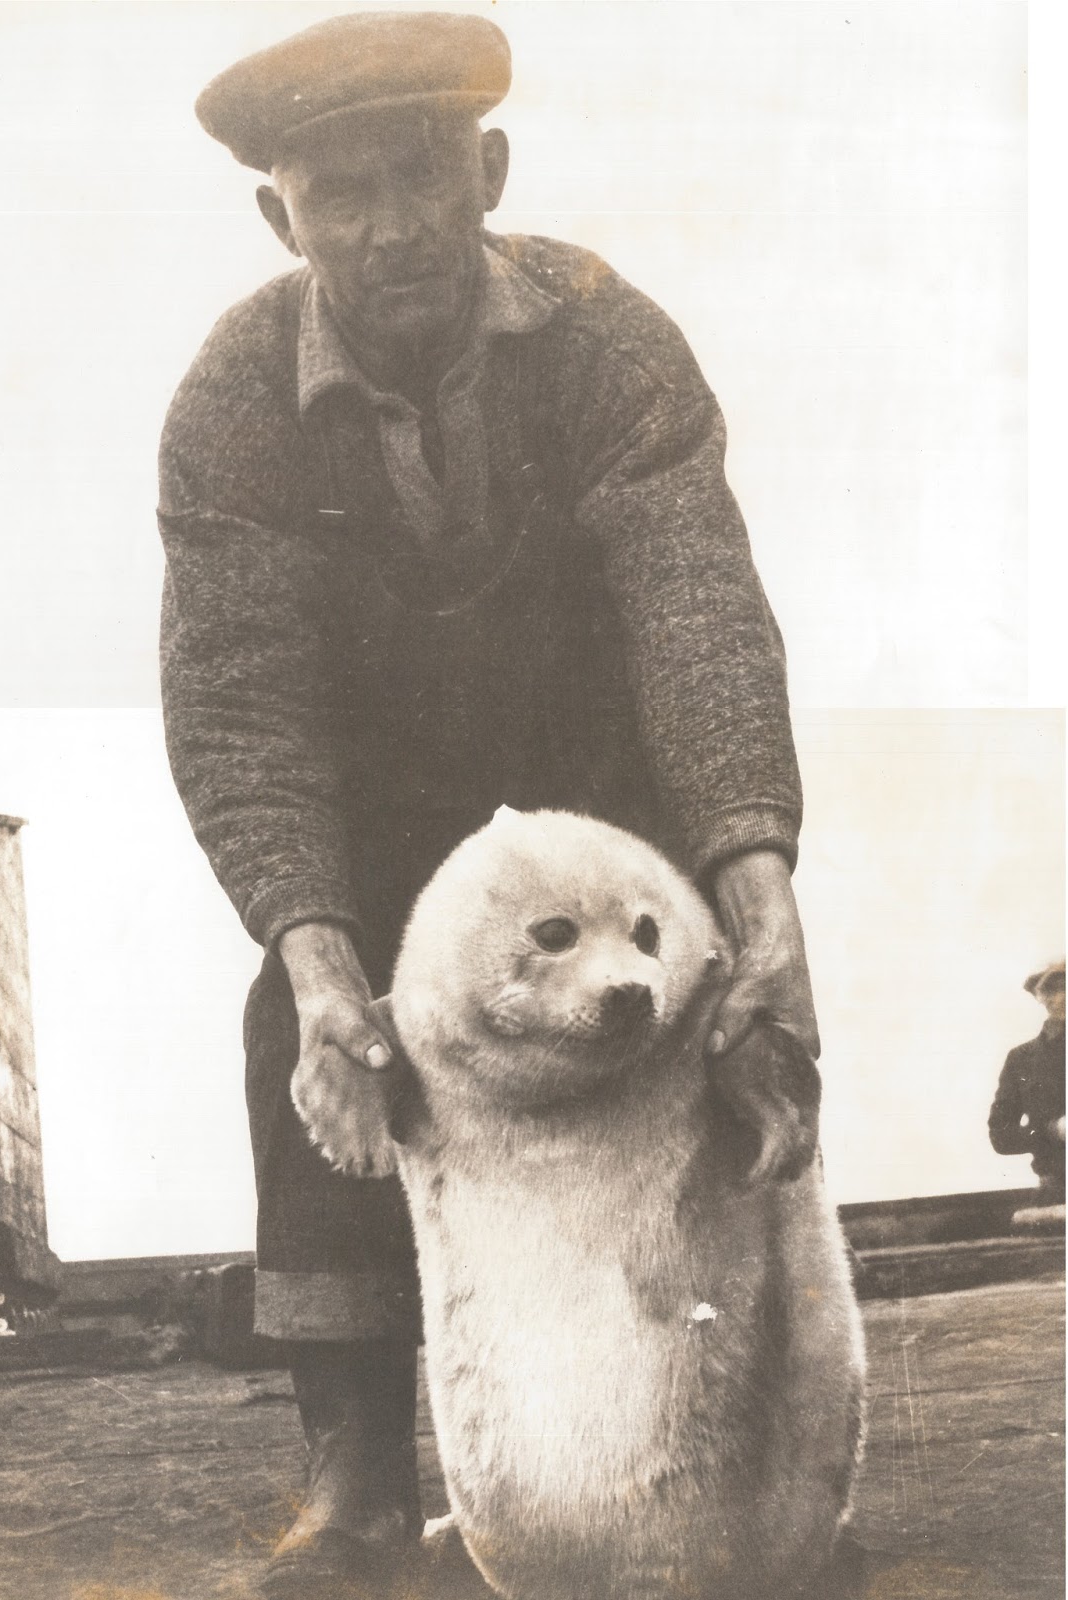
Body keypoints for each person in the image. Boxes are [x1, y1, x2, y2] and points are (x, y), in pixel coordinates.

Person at [158, 12, 819, 1593]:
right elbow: (241, 701)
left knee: (722, 1024)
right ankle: (360, 1474)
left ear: (490, 173)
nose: (389, 228)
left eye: (422, 177)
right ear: (282, 220)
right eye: (342, 196)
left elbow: (696, 606)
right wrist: (324, 968)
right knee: (299, 1032)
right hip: (383, 808)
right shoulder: (232, 404)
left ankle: (761, 1456)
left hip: (604, 781)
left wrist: (757, 881)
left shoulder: (609, 340)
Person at [989, 961, 1066, 1203]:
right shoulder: (1022, 1059)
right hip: (1056, 1191)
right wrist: (1051, 1131)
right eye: (1054, 990)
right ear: (1040, 997)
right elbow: (1000, 1134)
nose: (1063, 997)